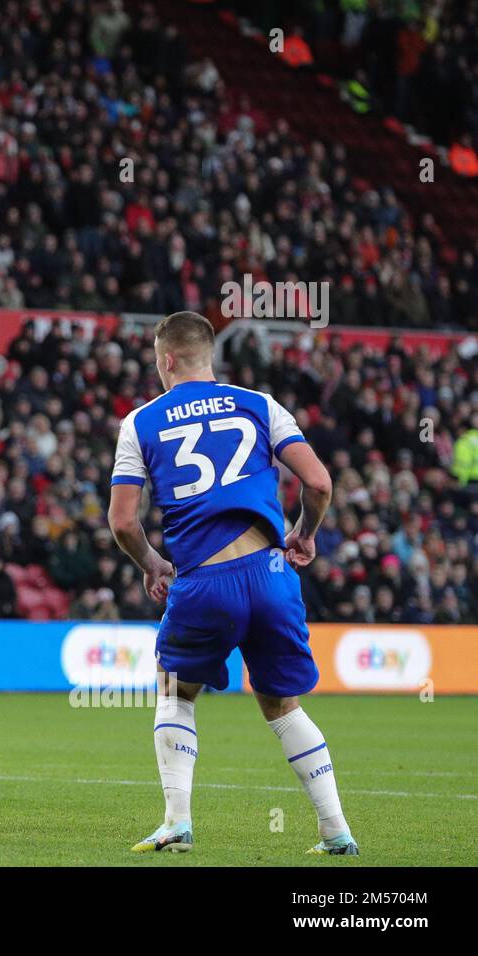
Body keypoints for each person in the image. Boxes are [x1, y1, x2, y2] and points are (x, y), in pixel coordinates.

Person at [108, 311, 357, 856]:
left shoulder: (141, 422)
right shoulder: (260, 404)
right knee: (282, 704)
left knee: (176, 690)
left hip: (204, 582)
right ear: (209, 356)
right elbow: (318, 482)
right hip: (271, 575)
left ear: (166, 360)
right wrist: (304, 534)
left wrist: (152, 563)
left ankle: (177, 822)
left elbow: (123, 522)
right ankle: (336, 831)